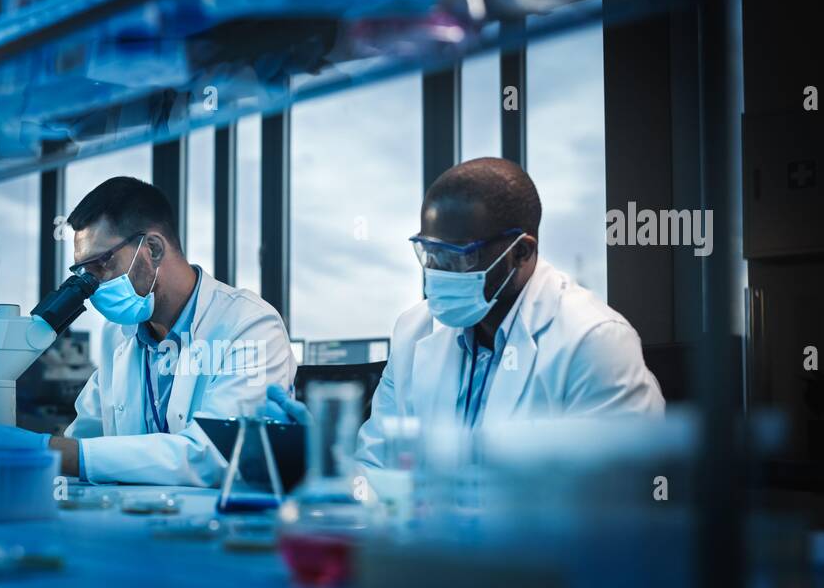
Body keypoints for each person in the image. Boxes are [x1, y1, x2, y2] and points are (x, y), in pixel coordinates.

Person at [261, 157, 664, 468]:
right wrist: (322, 460)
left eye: (458, 257)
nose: (435, 273)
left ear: (521, 252)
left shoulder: (595, 341)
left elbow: (613, 509)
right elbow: (376, 472)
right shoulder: (413, 332)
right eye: (429, 252)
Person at [0, 177, 296, 486]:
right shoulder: (118, 336)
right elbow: (85, 445)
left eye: (102, 265)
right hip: (139, 529)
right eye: (85, 273)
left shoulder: (249, 325)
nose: (94, 286)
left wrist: (41, 448)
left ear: (152, 248)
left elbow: (215, 455)